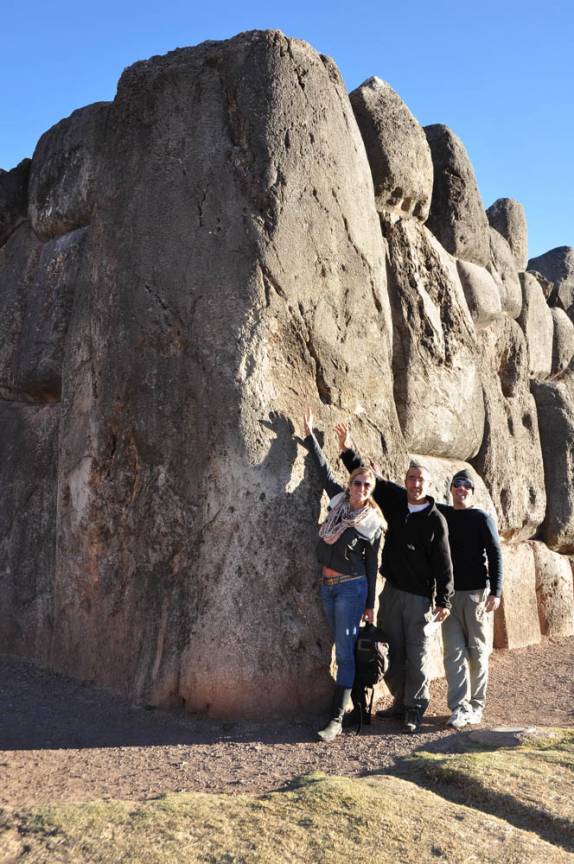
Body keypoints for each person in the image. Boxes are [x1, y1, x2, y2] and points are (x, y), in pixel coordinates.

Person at [335, 423, 453, 733]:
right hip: (392, 593)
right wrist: (348, 450)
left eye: (420, 480)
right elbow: (369, 480)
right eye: (411, 478)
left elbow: (444, 564)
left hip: (419, 598)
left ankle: (414, 708)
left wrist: (444, 599)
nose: (415, 483)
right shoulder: (397, 500)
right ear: (406, 480)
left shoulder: (435, 520)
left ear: (428, 484)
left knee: (417, 653)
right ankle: (400, 702)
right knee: (392, 651)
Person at [303, 409, 383, 742]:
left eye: (366, 484)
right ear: (350, 485)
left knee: (345, 653)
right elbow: (322, 473)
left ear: (371, 489)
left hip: (351, 589)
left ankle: (336, 718)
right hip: (328, 588)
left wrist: (369, 605)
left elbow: (372, 565)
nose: (360, 487)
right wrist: (310, 436)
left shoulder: (370, 523)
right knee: (340, 646)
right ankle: (350, 708)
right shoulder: (337, 502)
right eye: (356, 482)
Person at [437, 469, 503, 729]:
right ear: (451, 489)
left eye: (466, 486)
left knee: (477, 652)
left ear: (472, 492)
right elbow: (410, 499)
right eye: (457, 485)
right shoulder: (442, 515)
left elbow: (496, 554)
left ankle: (476, 705)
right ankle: (459, 706)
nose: (461, 489)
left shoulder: (481, 518)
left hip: (476, 595)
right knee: (453, 653)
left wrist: (496, 592)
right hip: (449, 596)